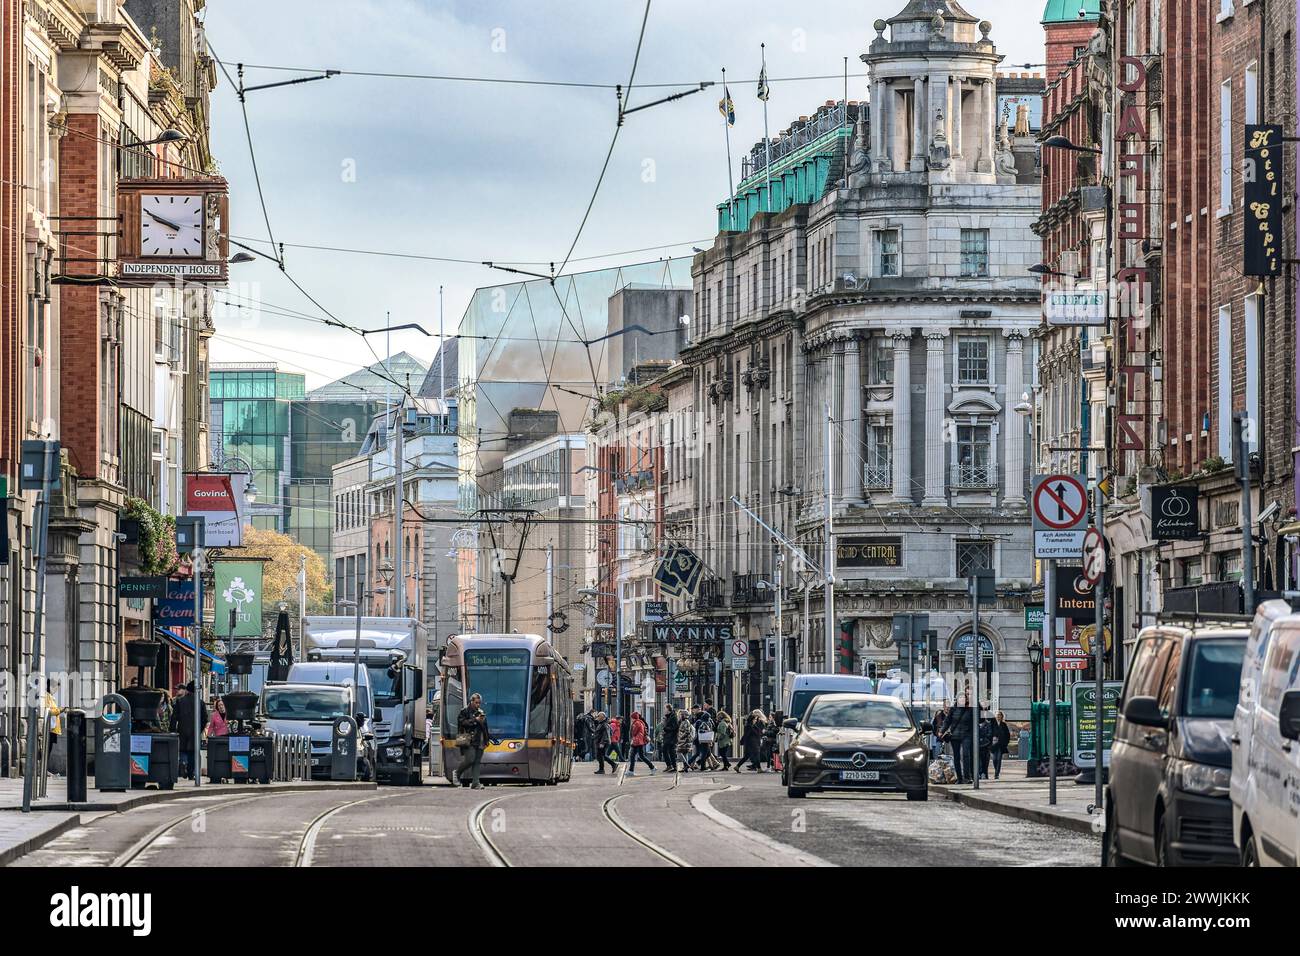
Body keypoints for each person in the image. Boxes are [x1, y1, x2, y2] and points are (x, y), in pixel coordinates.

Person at [169, 680, 207, 781]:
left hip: (182, 731)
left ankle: (183, 764)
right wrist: (200, 729)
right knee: (193, 753)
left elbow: (174, 717)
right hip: (195, 732)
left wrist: (172, 730)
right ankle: (191, 773)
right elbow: (205, 719)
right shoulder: (201, 703)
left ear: (187, 690)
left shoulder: (180, 701)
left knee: (182, 751)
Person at [455, 692, 490, 789]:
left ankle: (475, 783)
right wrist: (475, 720)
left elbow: (485, 728)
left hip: (480, 740)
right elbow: (462, 722)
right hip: (468, 740)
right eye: (476, 702)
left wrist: (487, 739)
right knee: (470, 759)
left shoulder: (481, 712)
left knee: (477, 761)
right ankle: (457, 772)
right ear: (471, 701)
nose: (478, 705)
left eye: (479, 703)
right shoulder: (465, 711)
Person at [943, 693, 974, 784]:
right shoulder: (953, 709)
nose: (962, 699)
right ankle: (959, 778)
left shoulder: (970, 709)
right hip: (955, 736)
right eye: (960, 697)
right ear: (957, 699)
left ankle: (967, 777)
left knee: (965, 755)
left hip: (966, 735)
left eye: (964, 697)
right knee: (956, 756)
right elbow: (947, 721)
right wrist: (942, 731)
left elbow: (976, 721)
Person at [989, 711, 1012, 780]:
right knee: (994, 759)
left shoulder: (1004, 725)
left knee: (998, 759)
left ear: (1002, 716)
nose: (998, 716)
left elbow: (1007, 735)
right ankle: (996, 771)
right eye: (997, 715)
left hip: (1000, 745)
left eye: (999, 715)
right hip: (993, 745)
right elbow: (989, 733)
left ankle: (996, 774)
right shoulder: (992, 724)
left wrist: (1005, 743)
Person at [692, 706, 716, 771]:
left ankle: (699, 765)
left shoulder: (701, 721)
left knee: (705, 753)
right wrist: (708, 731)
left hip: (703, 740)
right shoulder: (703, 722)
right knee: (704, 754)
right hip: (704, 740)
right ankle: (702, 766)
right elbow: (701, 730)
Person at [42, 686, 62, 764]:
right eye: (56, 687)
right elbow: (48, 711)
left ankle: (45, 769)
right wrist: (60, 710)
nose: (56, 689)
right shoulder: (47, 696)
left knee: (49, 749)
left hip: (53, 728)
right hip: (50, 727)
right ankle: (44, 769)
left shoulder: (51, 697)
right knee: (47, 748)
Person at [660, 705, 679, 772]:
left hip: (671, 737)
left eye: (665, 709)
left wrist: (666, 728)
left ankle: (670, 766)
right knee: (671, 752)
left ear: (668, 709)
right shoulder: (668, 717)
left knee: (666, 750)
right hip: (668, 737)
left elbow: (675, 727)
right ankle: (672, 766)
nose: (664, 710)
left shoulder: (673, 717)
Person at [977, 711, 993, 780]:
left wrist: (983, 738)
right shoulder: (975, 725)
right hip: (977, 746)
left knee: (985, 761)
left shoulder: (988, 724)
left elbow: (990, 734)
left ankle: (984, 773)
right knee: (978, 761)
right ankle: (980, 773)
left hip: (985, 746)